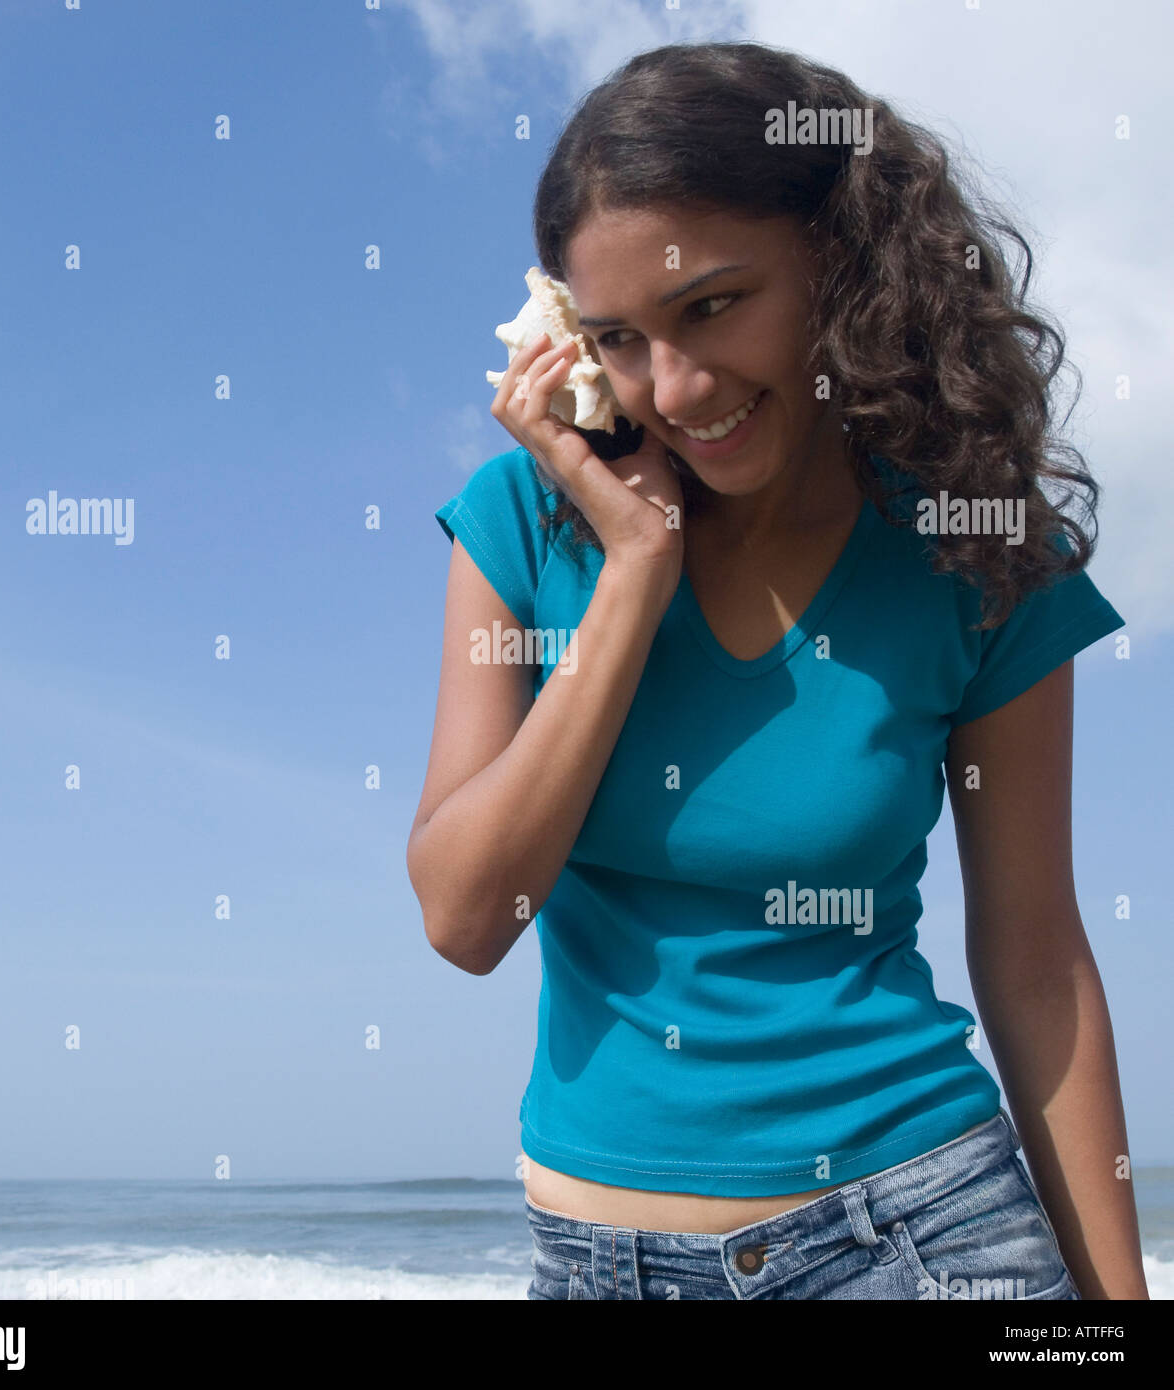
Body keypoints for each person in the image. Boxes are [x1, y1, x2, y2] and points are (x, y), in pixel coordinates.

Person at [407, 40, 1148, 1300]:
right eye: (620, 339)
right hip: (595, 1266)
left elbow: (1032, 957)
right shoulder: (523, 529)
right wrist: (636, 571)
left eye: (711, 306)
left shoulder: (971, 549)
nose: (679, 386)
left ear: (838, 261)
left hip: (922, 1238)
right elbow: (468, 917)